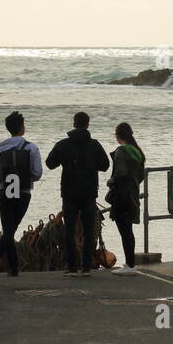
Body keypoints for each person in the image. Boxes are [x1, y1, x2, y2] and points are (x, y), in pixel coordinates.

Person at [44, 111, 110, 276]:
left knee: (69, 230)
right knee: (88, 231)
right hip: (89, 194)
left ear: (74, 124)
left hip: (69, 193)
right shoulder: (95, 145)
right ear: (88, 125)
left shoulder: (63, 145)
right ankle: (86, 267)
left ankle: (72, 267)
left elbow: (50, 163)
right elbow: (105, 165)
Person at [0, 110, 43, 277]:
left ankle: (8, 265)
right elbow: (37, 173)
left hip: (5, 192)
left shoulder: (0, 149)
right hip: (23, 193)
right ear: (22, 127)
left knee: (8, 230)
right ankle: (7, 265)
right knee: (10, 230)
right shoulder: (31, 148)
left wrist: (5, 183)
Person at [104, 122, 146, 274]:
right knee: (128, 230)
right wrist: (132, 184)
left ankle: (130, 265)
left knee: (124, 230)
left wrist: (111, 181)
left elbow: (121, 173)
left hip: (121, 196)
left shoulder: (121, 151)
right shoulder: (137, 152)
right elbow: (141, 175)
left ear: (118, 136)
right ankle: (130, 263)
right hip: (133, 195)